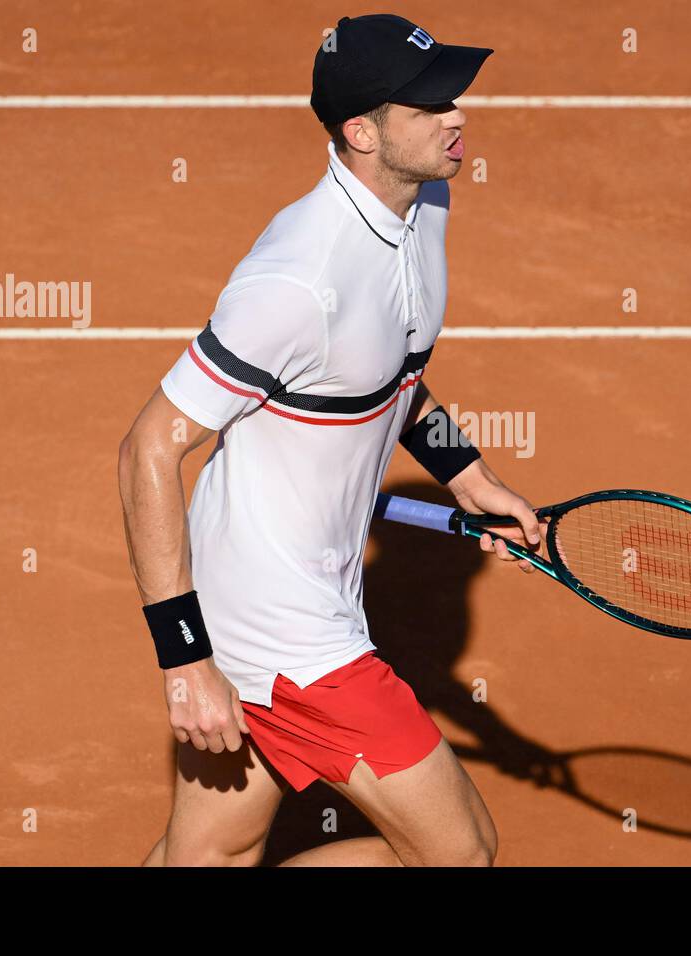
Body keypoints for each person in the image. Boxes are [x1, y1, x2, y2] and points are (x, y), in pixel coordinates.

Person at [118, 14, 543, 867]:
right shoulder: (296, 280)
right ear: (361, 132)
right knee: (457, 855)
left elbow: (391, 368)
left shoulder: (427, 208)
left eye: (450, 95)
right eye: (426, 105)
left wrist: (464, 470)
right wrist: (186, 662)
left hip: (304, 595)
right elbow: (150, 449)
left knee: (210, 857)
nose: (455, 115)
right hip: (283, 635)